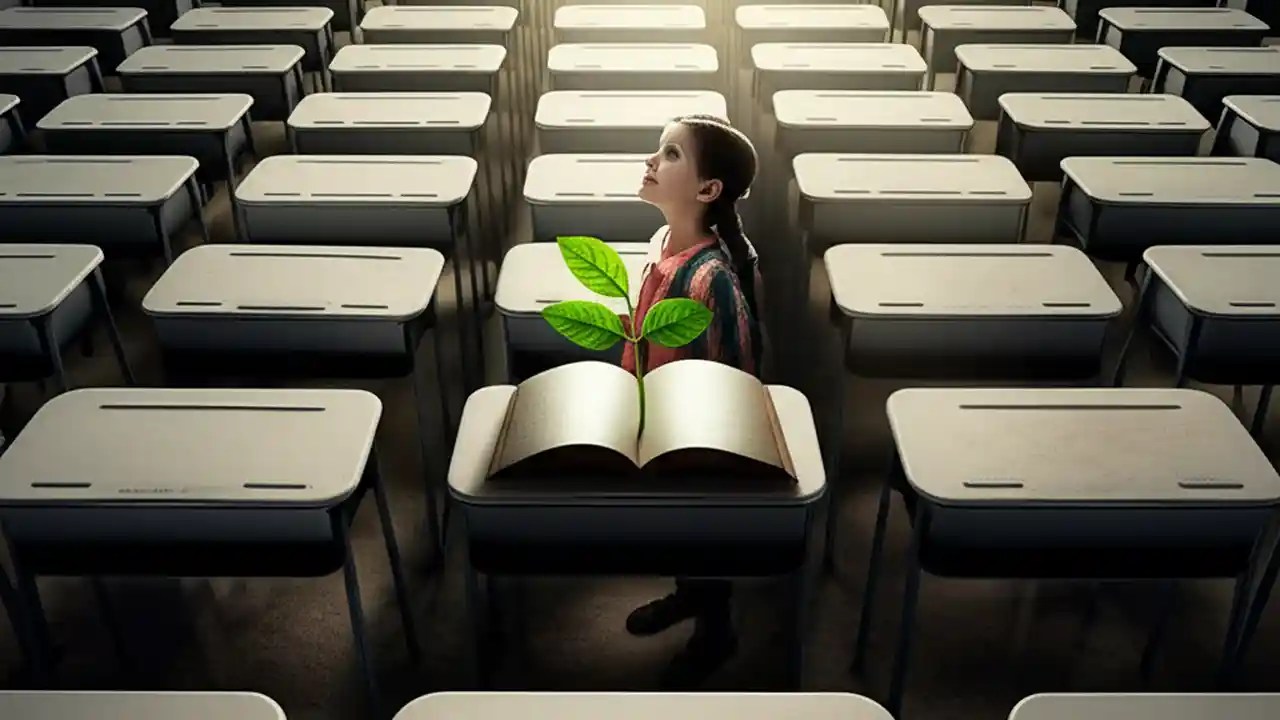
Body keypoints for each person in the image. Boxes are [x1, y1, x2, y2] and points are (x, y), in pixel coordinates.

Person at [622, 113, 764, 688]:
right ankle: (688, 595)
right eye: (659, 150)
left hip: (696, 436)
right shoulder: (662, 244)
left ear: (708, 190)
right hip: (656, 416)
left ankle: (715, 630)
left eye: (671, 154)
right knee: (678, 534)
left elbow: (729, 381)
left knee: (702, 531)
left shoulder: (713, 280)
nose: (652, 161)